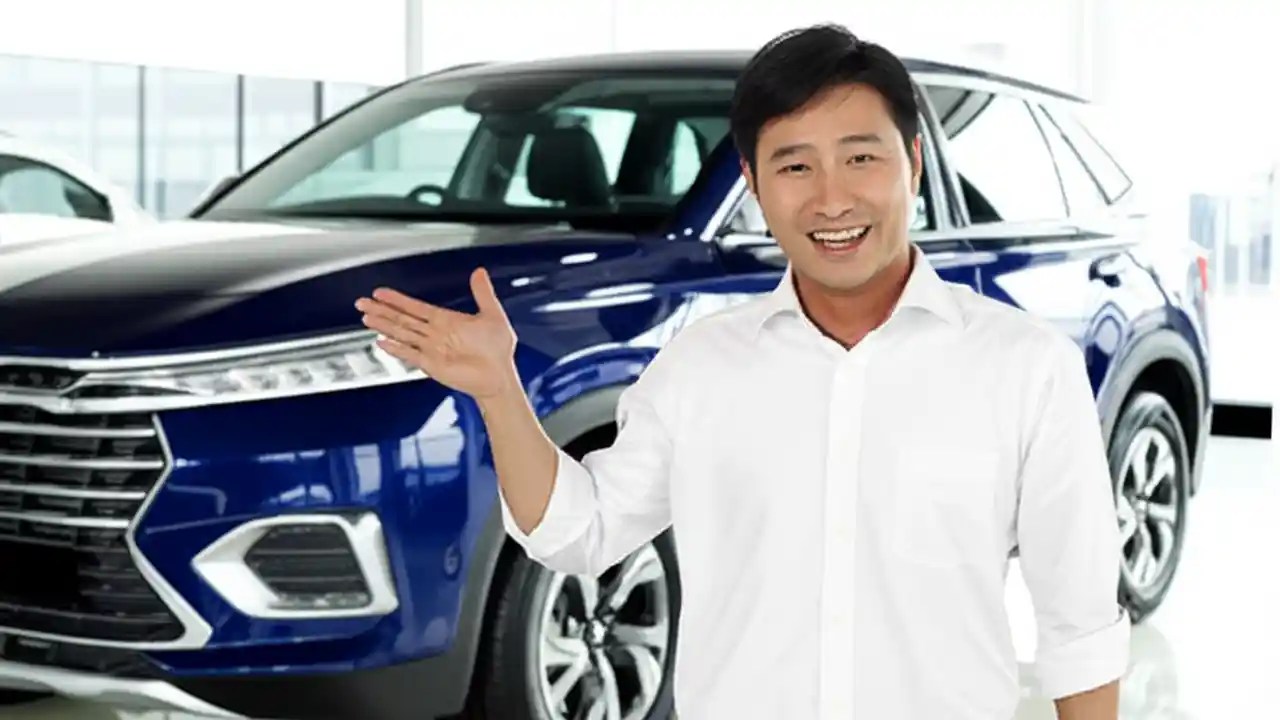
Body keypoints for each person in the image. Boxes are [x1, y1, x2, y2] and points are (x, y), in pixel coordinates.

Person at [355, 23, 1130, 720]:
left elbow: (1081, 625)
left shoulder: (1025, 368)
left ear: (914, 162)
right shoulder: (700, 367)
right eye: (795, 166)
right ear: (756, 190)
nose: (832, 198)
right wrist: (499, 392)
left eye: (861, 158)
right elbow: (581, 534)